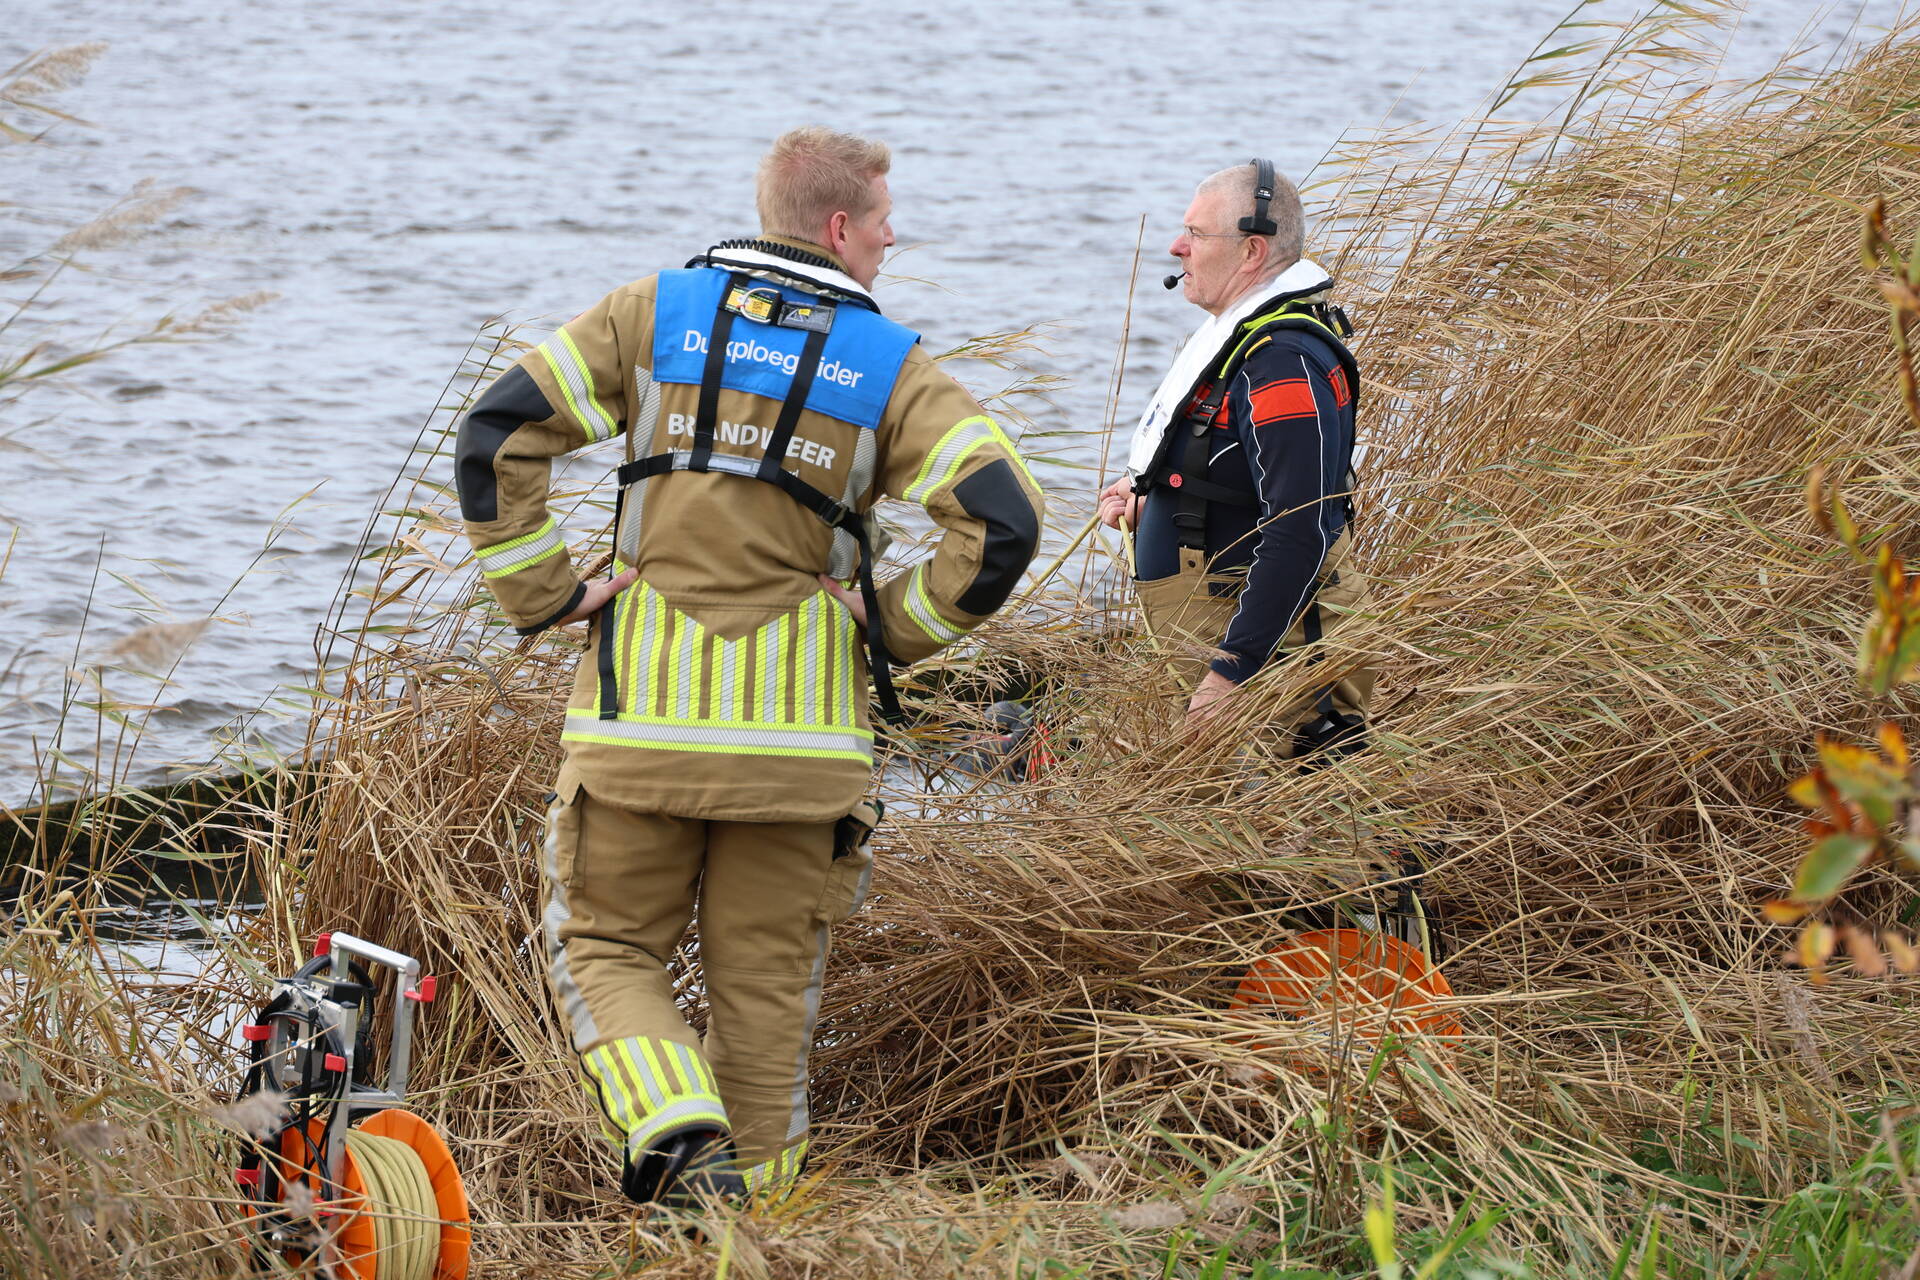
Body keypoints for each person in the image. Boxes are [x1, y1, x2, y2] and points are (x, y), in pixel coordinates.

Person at [455, 126, 1045, 1205]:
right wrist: (885, 623)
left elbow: (496, 436)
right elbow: (1004, 521)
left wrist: (546, 594)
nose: (892, 235)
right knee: (768, 997)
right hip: (803, 754)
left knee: (602, 947)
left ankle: (675, 1132)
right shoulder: (888, 363)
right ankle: (750, 1234)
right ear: (836, 228)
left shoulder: (651, 315)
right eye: (881, 218)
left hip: (639, 738)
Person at [1097, 159, 1373, 758]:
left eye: (1194, 234)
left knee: (1314, 841)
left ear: (1251, 252)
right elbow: (1236, 469)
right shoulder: (1247, 341)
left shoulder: (1283, 364)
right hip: (1223, 641)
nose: (1176, 247)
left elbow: (1301, 528)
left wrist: (1230, 674)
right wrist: (1158, 492)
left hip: (1279, 667)